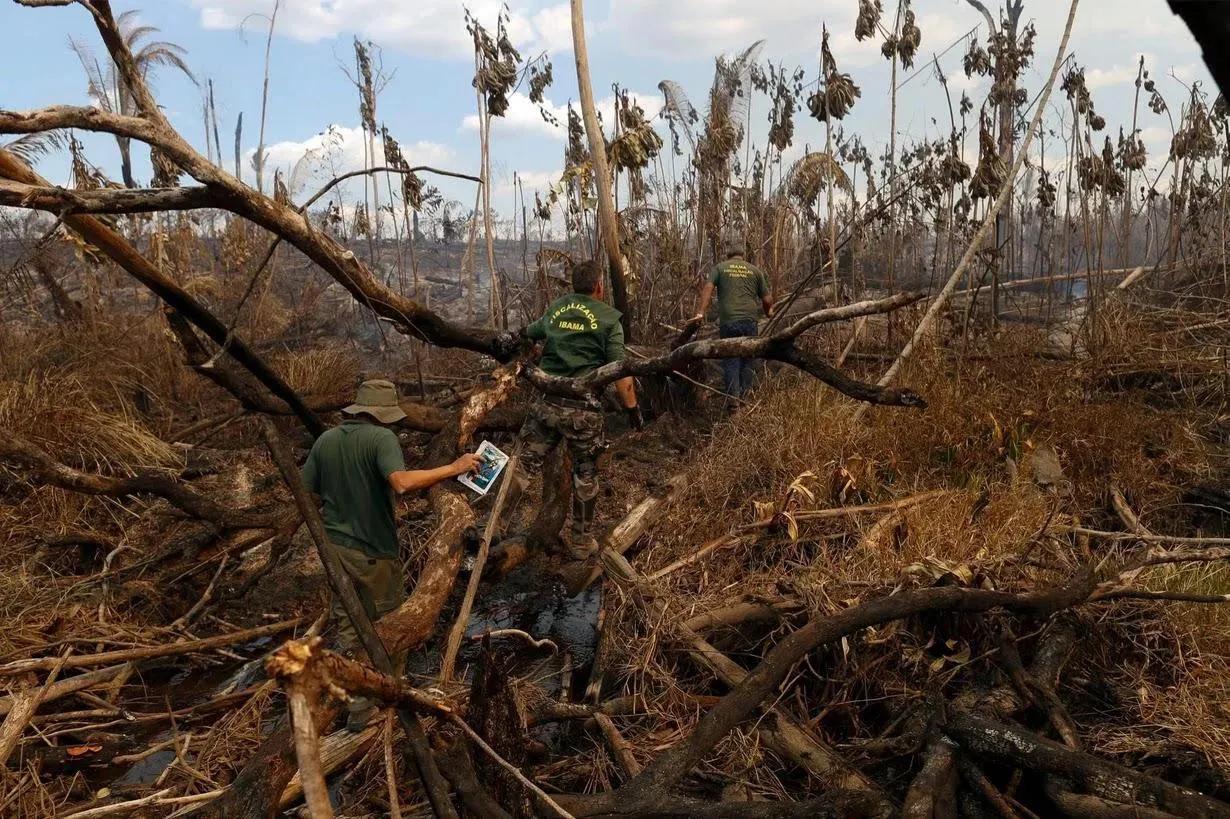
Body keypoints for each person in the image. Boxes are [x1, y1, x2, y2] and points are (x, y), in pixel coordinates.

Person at [300, 378, 481, 730]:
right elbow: (400, 482)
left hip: (335, 549)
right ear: (383, 414)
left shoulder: (326, 439)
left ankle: (351, 704)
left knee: (350, 624)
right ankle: (386, 698)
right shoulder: (382, 438)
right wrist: (455, 468)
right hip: (374, 550)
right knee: (392, 623)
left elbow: (308, 491)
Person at [520, 260, 643, 556]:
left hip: (545, 404)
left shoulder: (557, 308)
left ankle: (492, 526)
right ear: (599, 286)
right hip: (582, 413)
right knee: (585, 475)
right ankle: (580, 541)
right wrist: (633, 409)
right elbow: (618, 372)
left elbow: (528, 332)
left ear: (574, 285)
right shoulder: (609, 319)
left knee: (521, 468)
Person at [691, 238, 775, 397]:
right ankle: (746, 396)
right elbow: (767, 299)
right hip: (749, 321)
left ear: (728, 255)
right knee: (747, 358)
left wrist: (700, 313)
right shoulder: (754, 270)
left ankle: (733, 401)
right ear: (742, 255)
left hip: (729, 322)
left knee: (730, 359)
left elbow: (707, 289)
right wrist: (768, 312)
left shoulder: (720, 268)